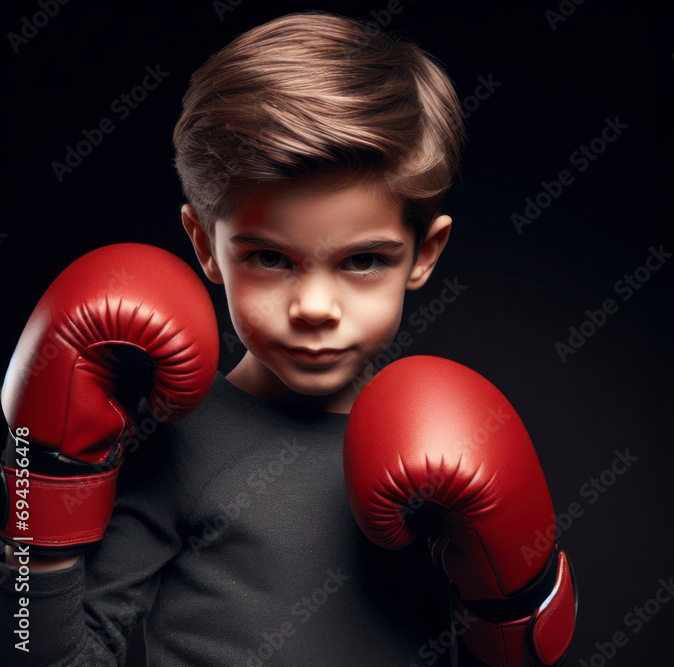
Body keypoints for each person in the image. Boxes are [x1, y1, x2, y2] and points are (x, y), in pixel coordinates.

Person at [0, 11, 574, 666]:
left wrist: (513, 608)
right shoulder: (178, 440)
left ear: (425, 251)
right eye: (271, 258)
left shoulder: (455, 445)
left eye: (363, 261)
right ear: (204, 246)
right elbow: (39, 654)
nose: (314, 307)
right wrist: (34, 503)